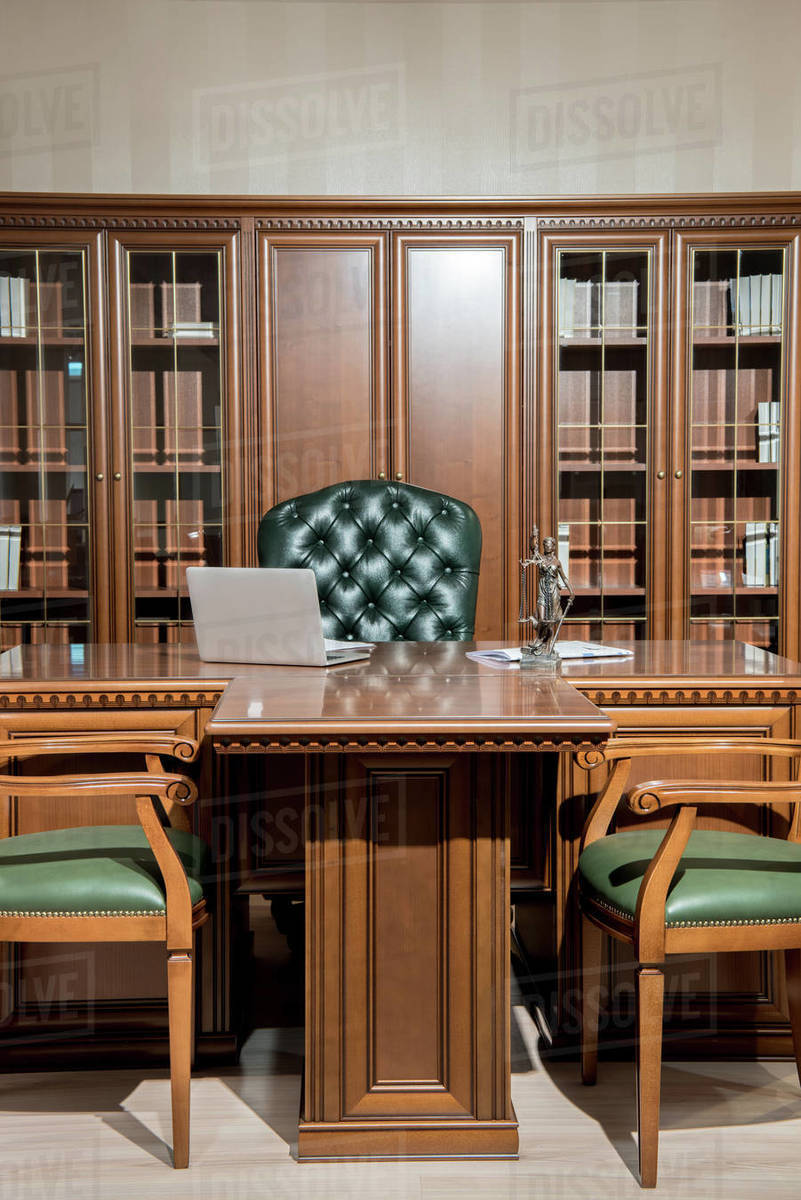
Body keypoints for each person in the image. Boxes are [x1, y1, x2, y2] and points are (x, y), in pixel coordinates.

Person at [519, 527, 574, 657]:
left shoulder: (557, 562)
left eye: (549, 545)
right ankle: (539, 638)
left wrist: (572, 591)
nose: (547, 547)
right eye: (545, 545)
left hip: (554, 591)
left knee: (550, 620)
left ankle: (547, 643)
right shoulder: (540, 558)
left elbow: (564, 577)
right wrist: (533, 537)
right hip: (542, 590)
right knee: (542, 618)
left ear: (554, 547)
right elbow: (533, 547)